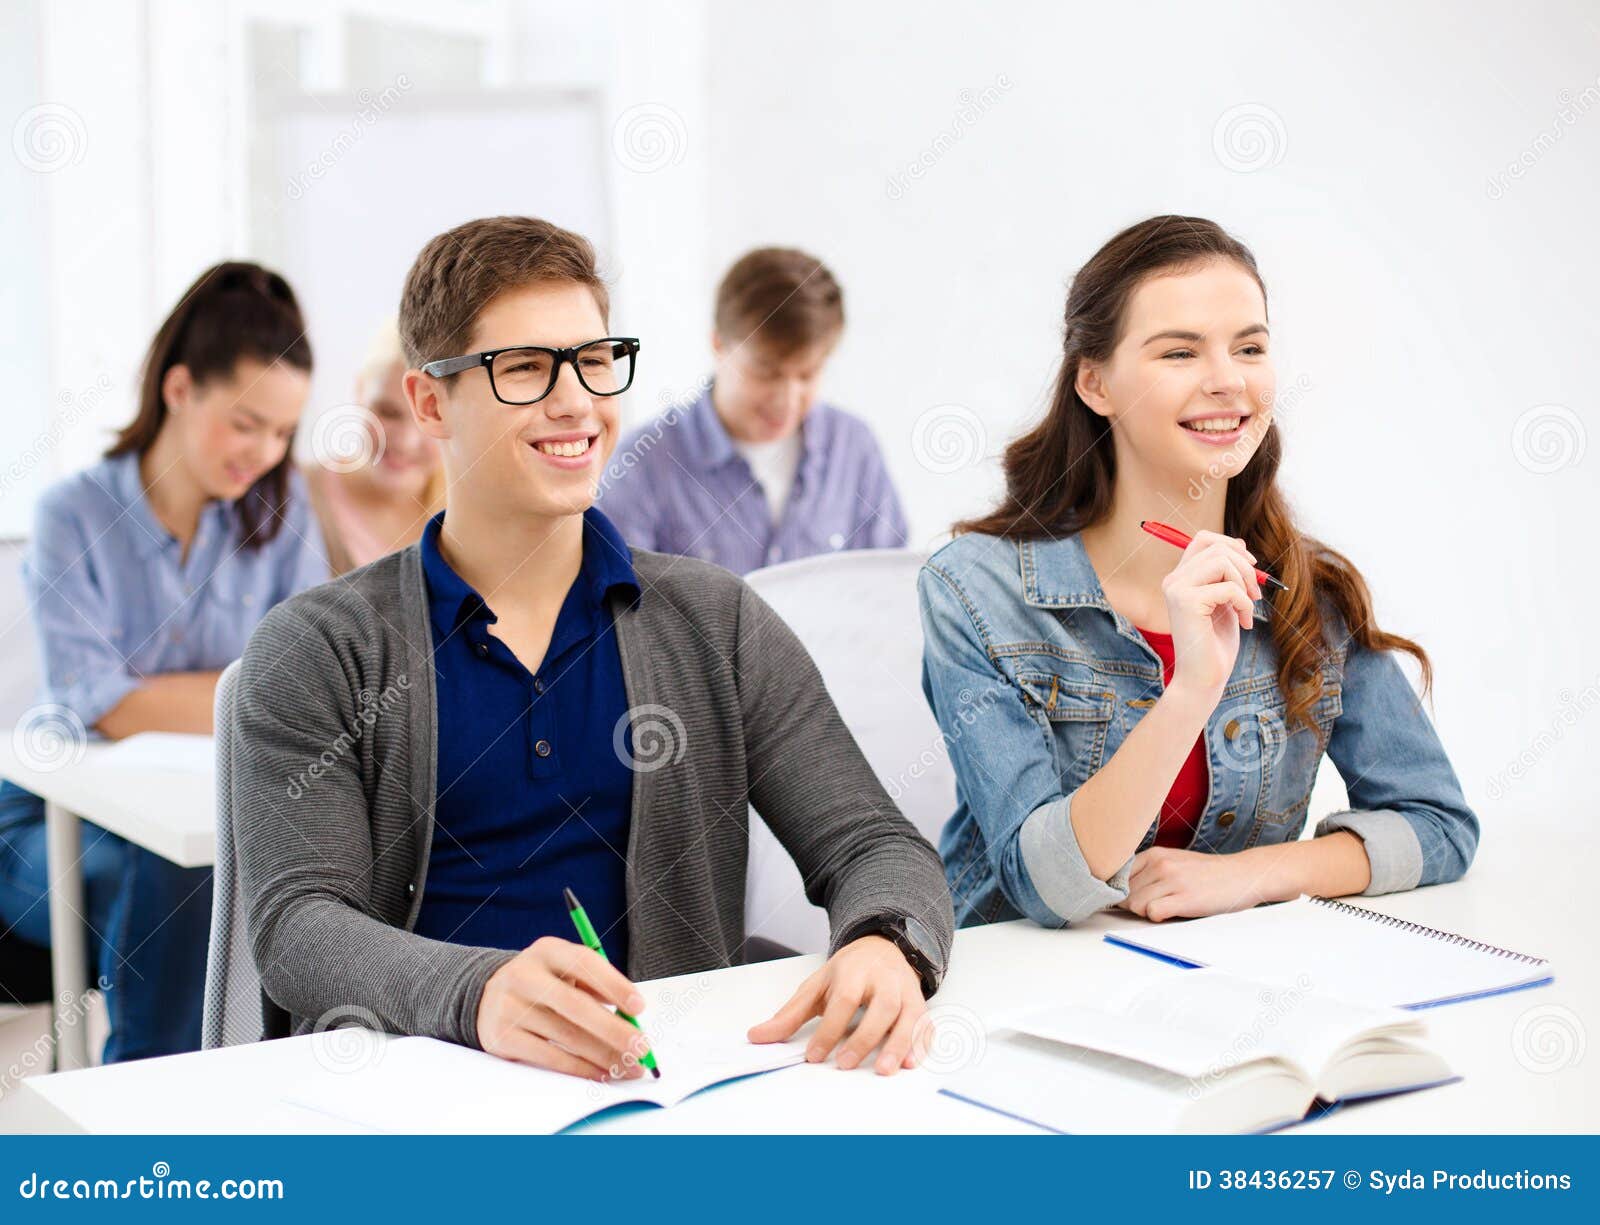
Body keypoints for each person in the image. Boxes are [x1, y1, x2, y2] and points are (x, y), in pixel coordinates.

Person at [230, 217, 953, 1082]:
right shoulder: (319, 647)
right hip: (417, 1092)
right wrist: (478, 992)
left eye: (595, 360)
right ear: (430, 403)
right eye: (525, 368)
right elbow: (298, 926)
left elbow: (874, 843)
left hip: (660, 1089)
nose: (576, 401)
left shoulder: (715, 619)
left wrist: (885, 941)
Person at [919, 215, 1478, 929]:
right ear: (1095, 383)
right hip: (1017, 975)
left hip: (1218, 977)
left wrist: (1249, 876)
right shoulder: (975, 590)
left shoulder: (1310, 591)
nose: (1228, 381)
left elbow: (1438, 824)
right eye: (1180, 353)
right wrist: (1190, 692)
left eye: (1250, 348)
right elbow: (1045, 886)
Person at [0, 261, 328, 1060]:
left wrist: (154, 694)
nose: (264, 451)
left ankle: (193, 1090)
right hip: (49, 821)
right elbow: (102, 703)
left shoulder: (280, 517)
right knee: (180, 876)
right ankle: (150, 1096)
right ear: (179, 388)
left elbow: (308, 687)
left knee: (250, 871)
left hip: (206, 812)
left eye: (282, 432)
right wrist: (241, 691)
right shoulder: (72, 513)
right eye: (246, 422)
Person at [595, 247, 907, 573]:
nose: (787, 400)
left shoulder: (853, 447)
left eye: (807, 375)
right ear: (719, 345)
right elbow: (618, 597)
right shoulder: (643, 464)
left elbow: (886, 583)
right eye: (767, 373)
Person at [303, 318, 444, 574]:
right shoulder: (299, 493)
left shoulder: (467, 519)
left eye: (429, 418)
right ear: (360, 392)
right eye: (388, 412)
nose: (405, 441)